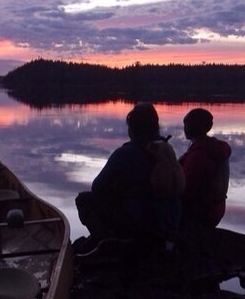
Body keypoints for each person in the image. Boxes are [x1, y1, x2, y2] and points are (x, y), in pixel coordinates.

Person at [75, 102, 181, 255]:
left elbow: (97, 187)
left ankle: (108, 242)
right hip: (171, 222)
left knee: (84, 200)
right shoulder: (166, 149)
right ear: (156, 126)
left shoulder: (125, 153)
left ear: (131, 129)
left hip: (143, 224)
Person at [179, 108, 231, 228]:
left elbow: (186, 189)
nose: (184, 128)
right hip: (216, 209)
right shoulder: (210, 147)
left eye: (186, 124)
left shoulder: (200, 154)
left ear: (194, 127)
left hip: (201, 212)